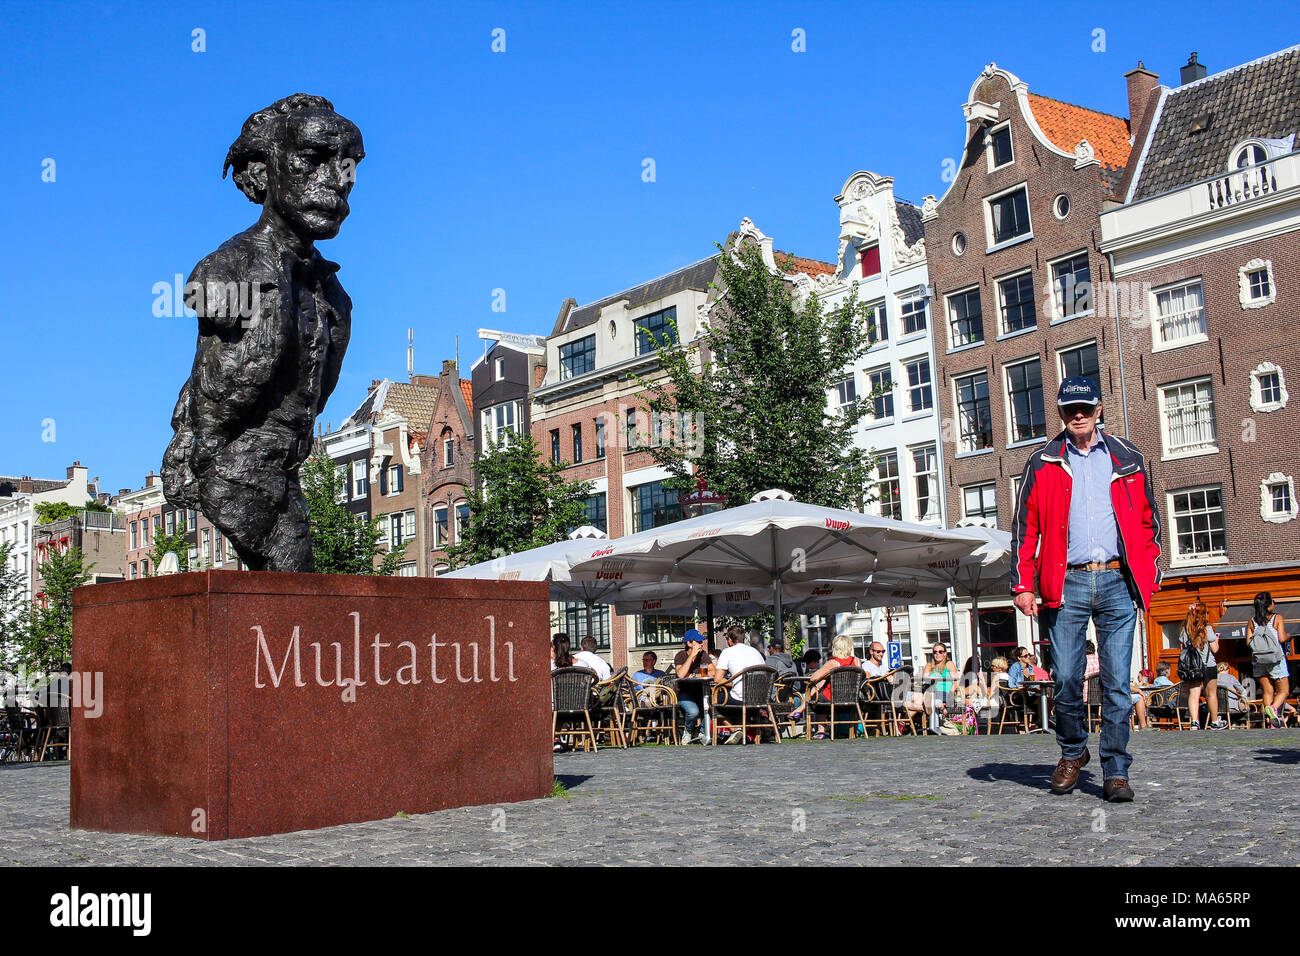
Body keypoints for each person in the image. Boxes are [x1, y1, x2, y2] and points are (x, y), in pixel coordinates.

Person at [1011, 376, 1162, 803]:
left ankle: (1115, 770)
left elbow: (1149, 522)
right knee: (1066, 679)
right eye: (1068, 409)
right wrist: (1023, 584)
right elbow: (1025, 529)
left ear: (1099, 410)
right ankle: (1073, 752)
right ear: (1060, 414)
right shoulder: (1042, 462)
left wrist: (1149, 568)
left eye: (1085, 408)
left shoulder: (1127, 456)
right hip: (1066, 581)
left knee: (1116, 684)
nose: (1077, 415)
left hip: (1117, 580)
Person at [713, 625, 769, 742]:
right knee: (741, 703)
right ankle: (740, 730)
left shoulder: (727, 652)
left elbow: (717, 679)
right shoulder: (756, 652)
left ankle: (734, 730)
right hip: (760, 699)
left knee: (712, 698)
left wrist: (734, 684)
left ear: (729, 640)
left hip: (741, 699)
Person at [1246, 592, 1290, 728]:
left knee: (1267, 691)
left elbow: (1248, 642)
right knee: (1284, 691)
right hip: (1275, 659)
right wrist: (1288, 635)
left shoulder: (1252, 621)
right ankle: (1274, 708)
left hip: (1259, 660)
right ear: (1269, 605)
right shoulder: (1277, 618)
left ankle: (1270, 722)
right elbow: (1282, 638)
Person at [1179, 600, 1225, 730]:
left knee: (1194, 694)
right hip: (1208, 665)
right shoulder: (1207, 628)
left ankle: (1194, 722)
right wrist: (1217, 638)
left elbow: (1182, 649)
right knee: (1211, 694)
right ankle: (1215, 722)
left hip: (1192, 667)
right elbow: (1215, 649)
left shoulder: (1185, 629)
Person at [806, 634, 863, 739]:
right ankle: (853, 730)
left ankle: (821, 730)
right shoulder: (857, 661)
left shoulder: (833, 663)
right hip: (852, 698)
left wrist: (825, 674)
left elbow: (813, 678)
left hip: (832, 698)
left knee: (817, 697)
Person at [672, 630, 714, 744]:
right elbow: (681, 674)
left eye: (702, 641)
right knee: (693, 711)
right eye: (699, 641)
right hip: (684, 693)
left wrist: (694, 675)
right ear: (689, 643)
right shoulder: (680, 655)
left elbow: (712, 672)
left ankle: (702, 732)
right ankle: (688, 731)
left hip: (701, 691)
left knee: (712, 708)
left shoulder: (703, 655)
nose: (701, 644)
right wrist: (692, 656)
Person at [922, 643, 958, 734]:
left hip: (945, 692)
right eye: (935, 652)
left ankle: (937, 725)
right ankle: (902, 724)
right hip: (931, 691)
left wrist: (951, 693)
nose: (937, 654)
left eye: (940, 652)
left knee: (935, 700)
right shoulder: (929, 665)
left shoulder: (949, 664)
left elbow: (955, 681)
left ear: (945, 653)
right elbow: (924, 679)